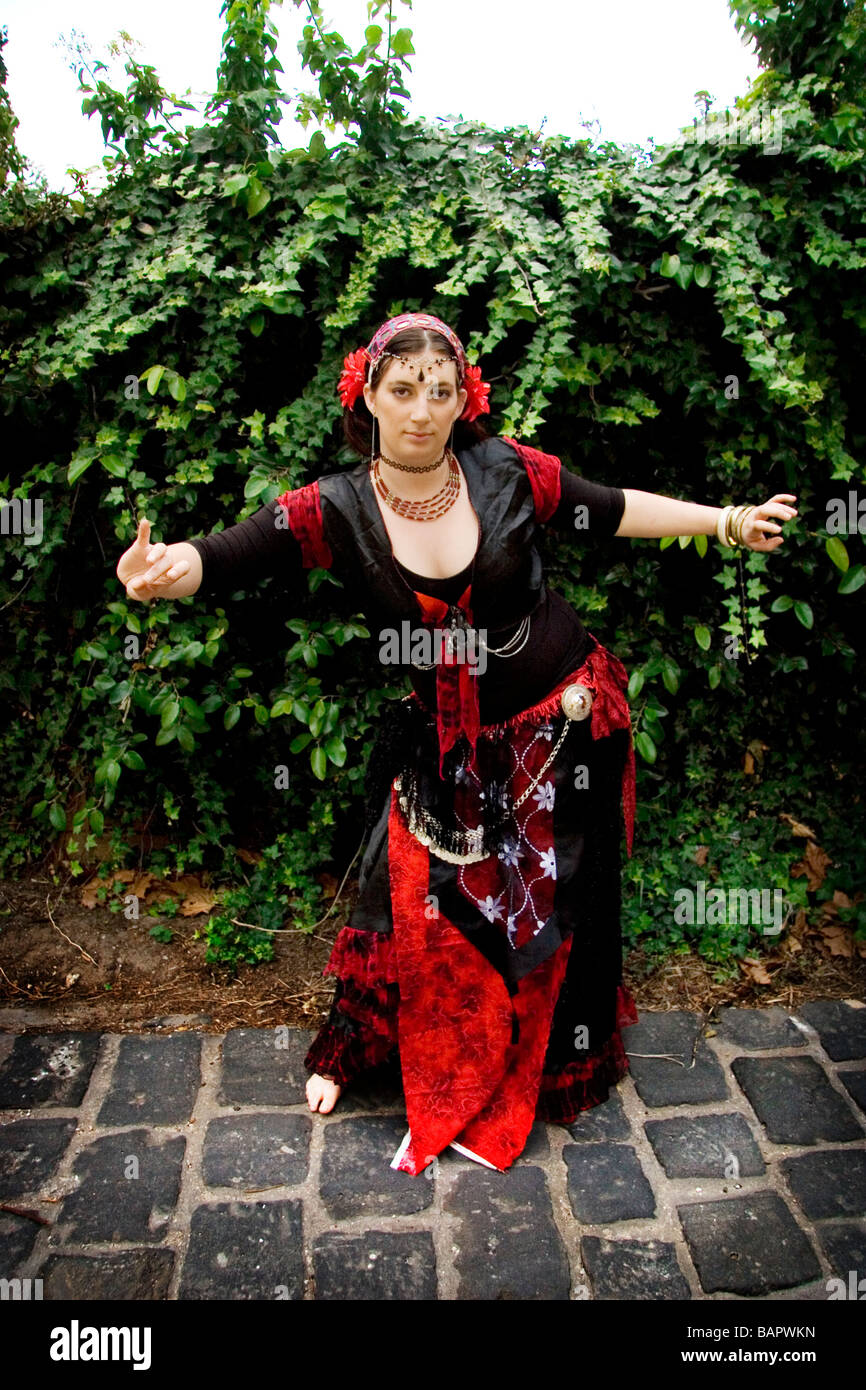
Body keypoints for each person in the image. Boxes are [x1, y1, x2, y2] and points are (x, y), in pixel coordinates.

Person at [115, 311, 797, 1176]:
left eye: (440, 391)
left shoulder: (507, 471)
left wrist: (728, 521)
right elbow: (229, 554)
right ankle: (360, 1045)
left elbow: (613, 507)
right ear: (367, 394)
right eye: (402, 390)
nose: (421, 410)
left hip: (563, 723)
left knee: (551, 901)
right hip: (449, 744)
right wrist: (168, 570)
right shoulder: (333, 508)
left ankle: (549, 1057)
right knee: (413, 894)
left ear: (463, 399)